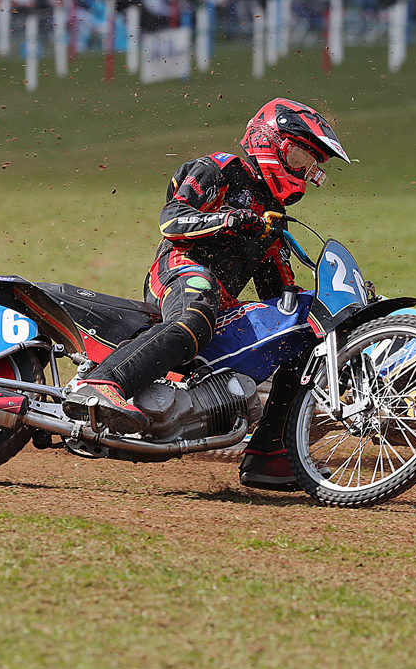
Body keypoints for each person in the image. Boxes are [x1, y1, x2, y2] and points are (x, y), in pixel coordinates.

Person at [62, 99, 351, 491]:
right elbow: (172, 220)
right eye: (299, 155)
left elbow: (278, 291)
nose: (301, 171)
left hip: (221, 302)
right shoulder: (222, 167)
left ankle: (271, 454)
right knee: (196, 312)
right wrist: (228, 217)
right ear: (270, 140)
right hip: (180, 268)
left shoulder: (272, 217)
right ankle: (102, 384)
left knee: (301, 339)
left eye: (309, 164)